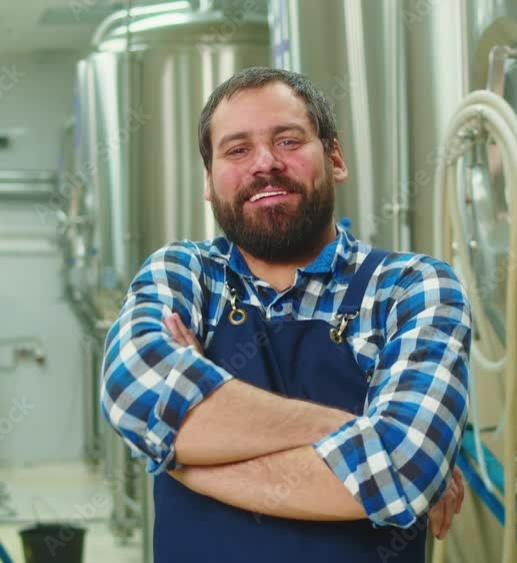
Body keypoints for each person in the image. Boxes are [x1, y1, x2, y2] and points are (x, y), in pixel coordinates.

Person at [100, 67, 471, 563]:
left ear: (334, 158)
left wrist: (180, 456)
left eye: (288, 140)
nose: (265, 164)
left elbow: (402, 469)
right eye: (237, 150)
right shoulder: (184, 272)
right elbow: (133, 394)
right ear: (209, 182)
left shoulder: (411, 287)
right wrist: (365, 434)